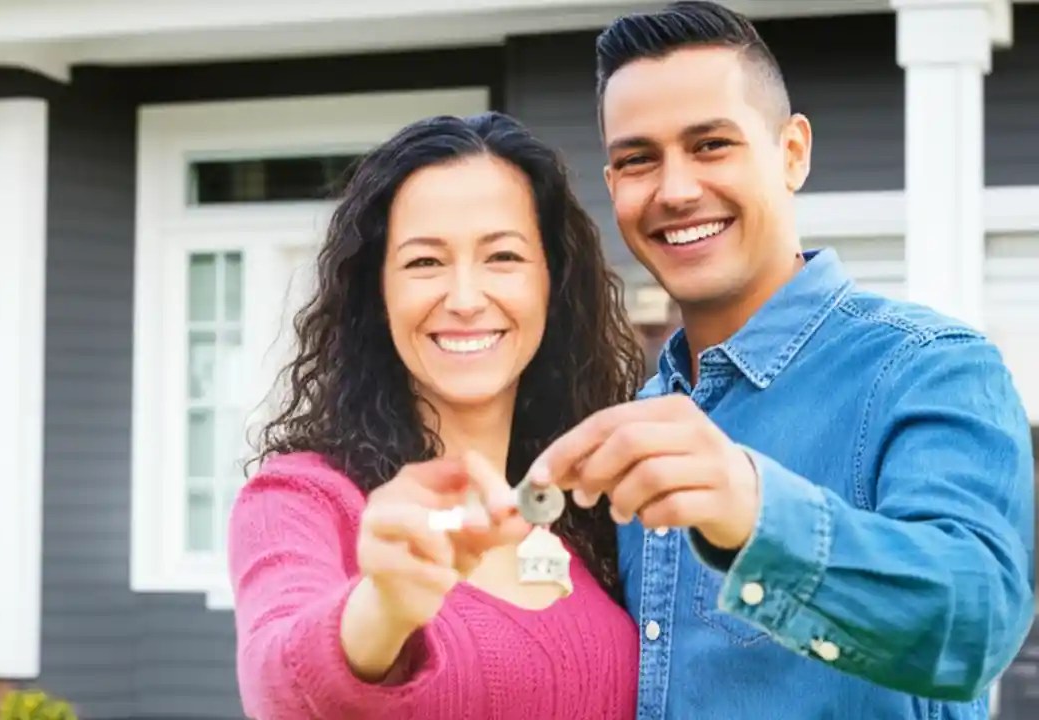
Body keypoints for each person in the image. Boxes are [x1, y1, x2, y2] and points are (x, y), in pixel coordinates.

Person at [524, 2, 1036, 718]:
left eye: (710, 145)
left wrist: (756, 512)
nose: (674, 190)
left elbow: (974, 625)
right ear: (613, 186)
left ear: (792, 152)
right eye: (639, 158)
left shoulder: (928, 368)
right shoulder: (632, 424)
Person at [227, 111, 645, 719]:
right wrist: (386, 605)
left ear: (552, 284)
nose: (466, 299)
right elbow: (279, 679)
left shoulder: (591, 512)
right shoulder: (302, 500)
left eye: (502, 256)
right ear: (379, 293)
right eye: (425, 263)